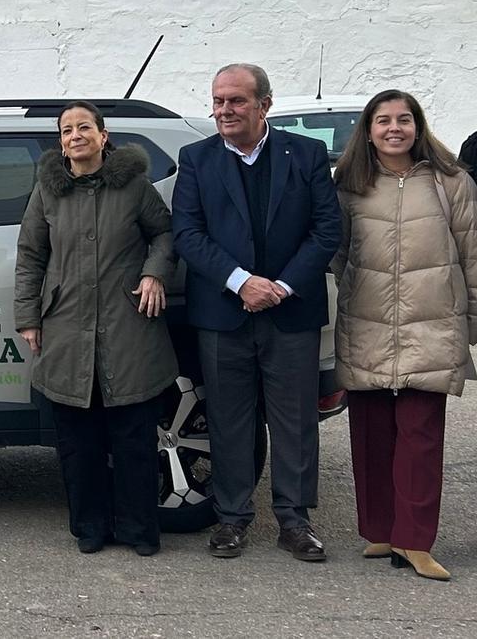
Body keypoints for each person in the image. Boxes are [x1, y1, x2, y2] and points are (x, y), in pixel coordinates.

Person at [172, 63, 341, 561]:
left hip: (291, 311)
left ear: (264, 104)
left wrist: (282, 286)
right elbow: (187, 233)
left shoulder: (305, 154)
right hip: (224, 313)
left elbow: (326, 230)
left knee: (295, 422)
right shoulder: (196, 158)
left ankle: (295, 520)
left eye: (236, 101)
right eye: (219, 101)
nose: (224, 110)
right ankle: (231, 518)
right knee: (228, 420)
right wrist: (241, 282)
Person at [15, 101, 178, 556]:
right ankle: (90, 527)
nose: (75, 136)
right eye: (67, 130)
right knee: (78, 442)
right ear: (61, 143)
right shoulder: (48, 192)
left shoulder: (134, 187)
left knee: (133, 439)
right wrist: (28, 317)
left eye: (84, 127)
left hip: (129, 328)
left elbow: (164, 235)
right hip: (66, 327)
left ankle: (139, 530)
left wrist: (154, 273)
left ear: (103, 136)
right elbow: (30, 254)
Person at [331, 90, 477, 582]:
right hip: (367, 319)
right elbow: (336, 250)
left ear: (418, 126)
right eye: (383, 120)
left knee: (420, 435)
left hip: (432, 322)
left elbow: (472, 254)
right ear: (368, 129)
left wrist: (471, 319)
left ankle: (415, 540)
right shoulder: (348, 185)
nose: (394, 128)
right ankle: (381, 530)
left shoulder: (451, 181)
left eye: (404, 119)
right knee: (371, 433)